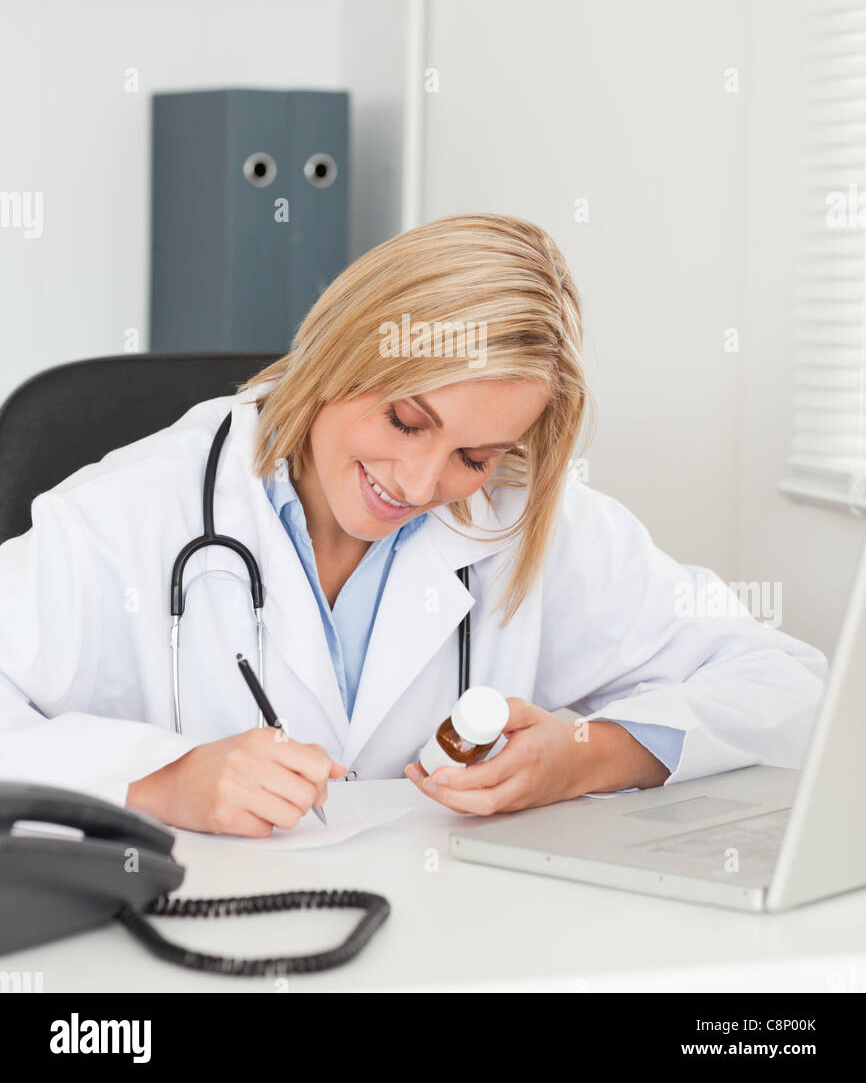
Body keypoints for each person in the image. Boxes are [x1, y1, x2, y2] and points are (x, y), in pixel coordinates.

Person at [0, 214, 827, 837]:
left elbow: (789, 686)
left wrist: (590, 754)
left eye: (476, 454)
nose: (423, 483)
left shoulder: (522, 517)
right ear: (338, 356)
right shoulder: (132, 511)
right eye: (405, 420)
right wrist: (159, 780)